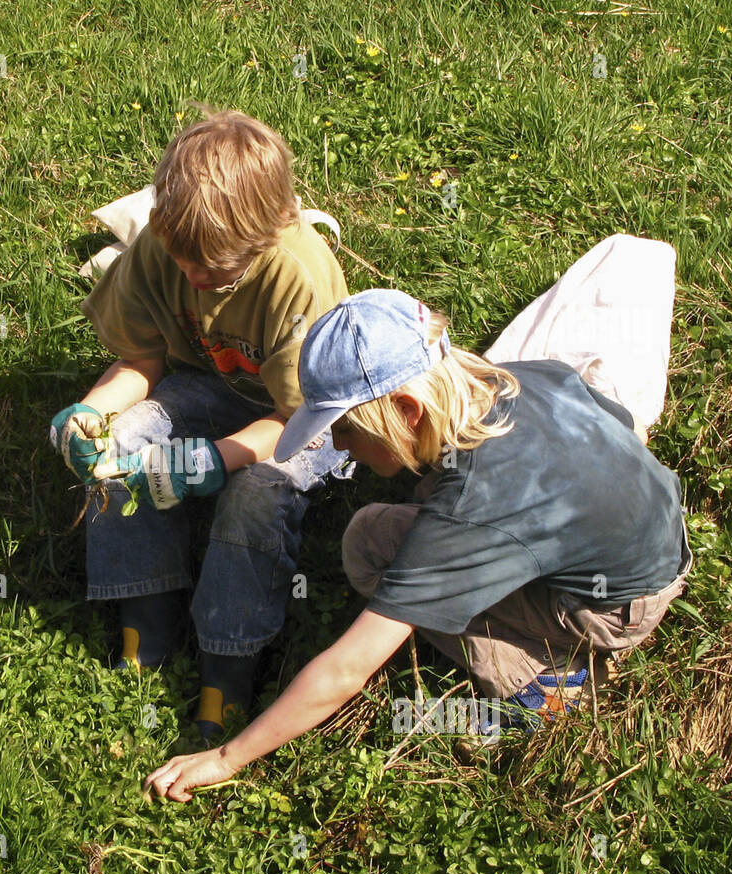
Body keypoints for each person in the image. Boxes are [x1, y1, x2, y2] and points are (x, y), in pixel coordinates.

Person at [145, 288, 691, 800]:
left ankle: (550, 686)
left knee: (372, 552)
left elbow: (346, 669)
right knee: (369, 534)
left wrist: (226, 757)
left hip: (615, 606)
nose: (336, 444)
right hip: (660, 532)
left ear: (407, 411)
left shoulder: (475, 504)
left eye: (346, 429)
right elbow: (621, 425)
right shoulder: (517, 379)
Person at [48, 110, 350, 739]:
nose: (195, 278)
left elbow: (301, 417)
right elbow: (141, 360)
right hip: (205, 386)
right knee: (125, 447)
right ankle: (146, 610)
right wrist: (92, 413)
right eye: (185, 262)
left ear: (269, 235)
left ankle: (228, 660)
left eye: (215, 270)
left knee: (254, 494)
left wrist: (216, 459)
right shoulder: (159, 248)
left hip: (303, 417)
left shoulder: (297, 273)